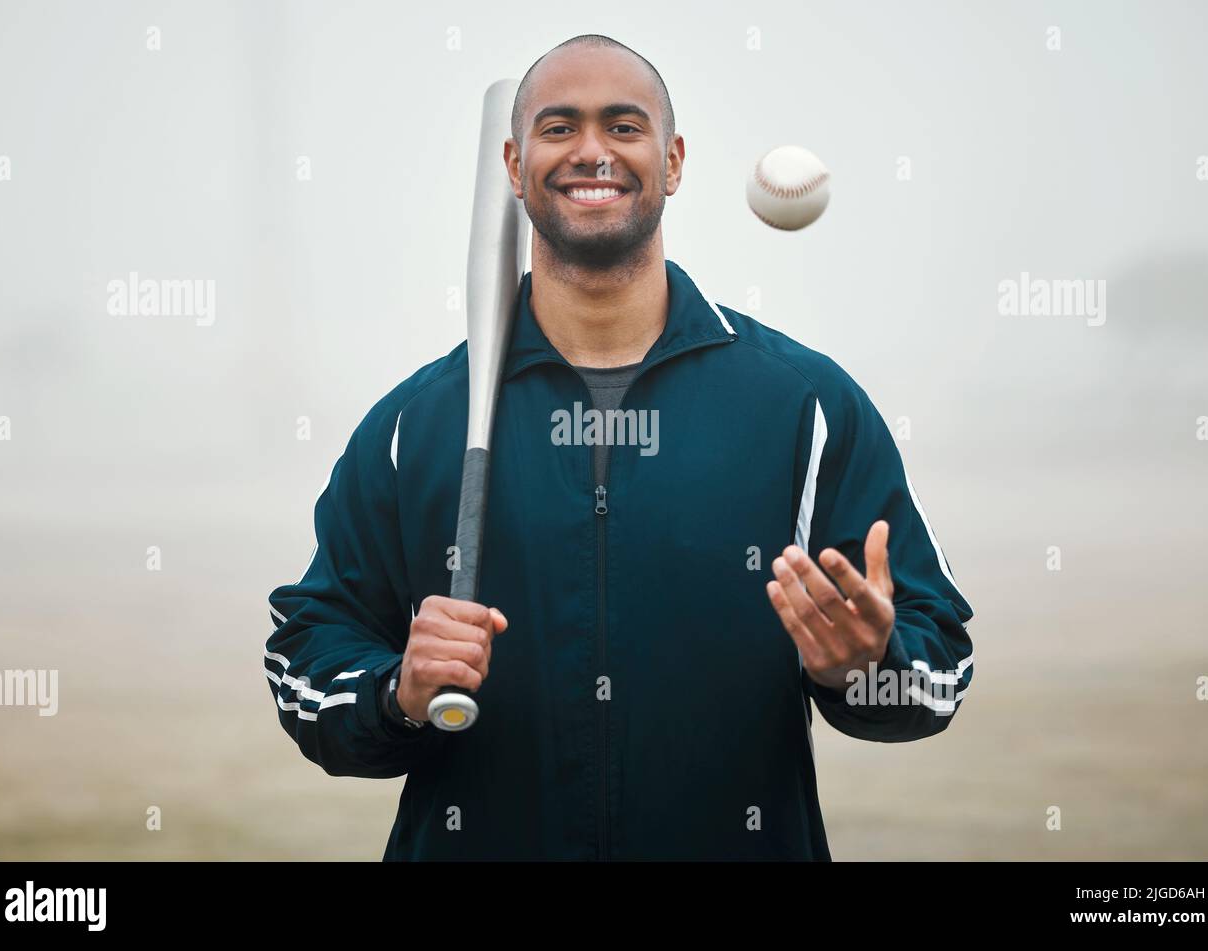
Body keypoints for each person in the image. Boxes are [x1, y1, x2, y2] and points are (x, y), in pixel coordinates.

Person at [264, 33, 975, 861]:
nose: (592, 151)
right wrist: (397, 693)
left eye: (624, 126)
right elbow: (306, 653)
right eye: (559, 127)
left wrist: (864, 665)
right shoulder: (415, 425)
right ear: (512, 162)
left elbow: (941, 664)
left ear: (673, 161)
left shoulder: (803, 405)